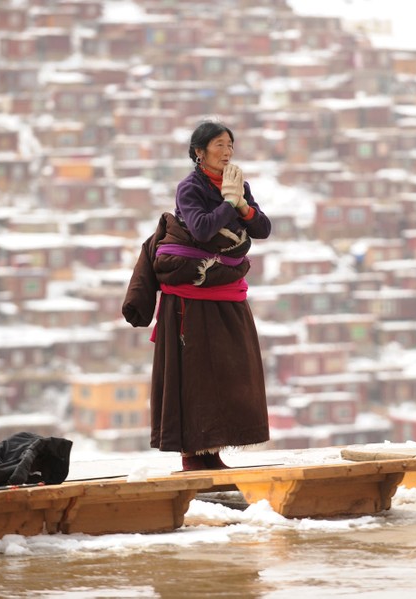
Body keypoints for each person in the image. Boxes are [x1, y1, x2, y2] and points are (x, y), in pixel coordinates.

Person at [122, 120, 272, 471]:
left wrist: (243, 206)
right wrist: (229, 204)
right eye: (219, 145)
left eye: (230, 145)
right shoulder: (189, 188)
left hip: (225, 294)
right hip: (191, 299)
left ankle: (213, 451)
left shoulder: (238, 184)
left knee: (226, 373)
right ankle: (192, 454)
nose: (227, 152)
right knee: (194, 377)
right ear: (199, 152)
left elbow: (262, 228)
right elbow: (203, 230)